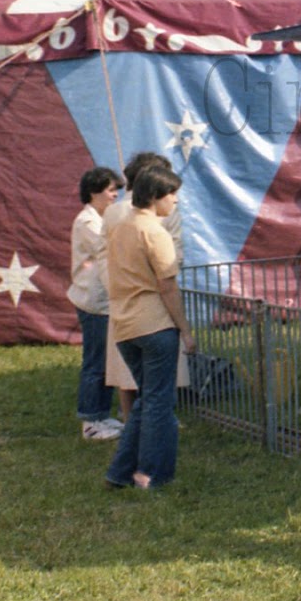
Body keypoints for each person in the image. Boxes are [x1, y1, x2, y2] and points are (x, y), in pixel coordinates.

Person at [105, 165, 196, 490]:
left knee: (146, 400)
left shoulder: (120, 225)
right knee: (159, 403)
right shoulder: (156, 232)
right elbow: (167, 286)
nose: (175, 201)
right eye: (172, 194)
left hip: (125, 325)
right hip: (155, 325)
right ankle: (152, 475)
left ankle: (120, 472)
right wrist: (185, 330)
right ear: (156, 196)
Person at [103, 151, 187, 419]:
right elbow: (168, 272)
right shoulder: (154, 221)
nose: (173, 197)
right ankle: (156, 425)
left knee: (130, 373)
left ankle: (132, 420)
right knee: (156, 390)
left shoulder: (117, 213)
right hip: (153, 308)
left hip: (121, 303)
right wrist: (185, 329)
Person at [68, 165, 124, 441]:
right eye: (111, 190)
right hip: (93, 302)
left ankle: (102, 413)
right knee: (95, 362)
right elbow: (112, 249)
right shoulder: (88, 222)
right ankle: (90, 421)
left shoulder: (102, 218)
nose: (115, 195)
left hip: (104, 301)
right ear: (94, 192)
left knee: (106, 361)